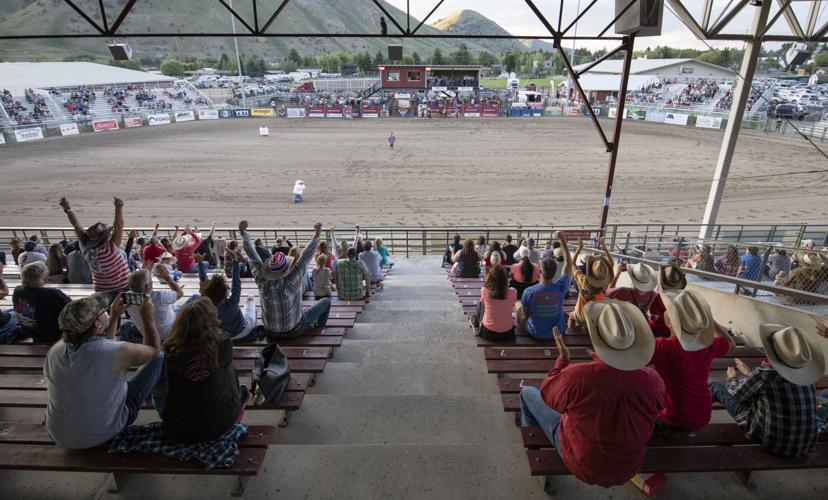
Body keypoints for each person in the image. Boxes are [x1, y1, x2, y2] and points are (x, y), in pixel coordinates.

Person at [519, 300, 665, 487]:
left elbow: (548, 395)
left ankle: (533, 444)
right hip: (629, 467)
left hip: (582, 463)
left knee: (527, 394)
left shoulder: (578, 376)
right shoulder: (654, 381)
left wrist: (562, 360)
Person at [45, 293, 165, 449]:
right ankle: (165, 411)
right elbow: (153, 350)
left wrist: (114, 316)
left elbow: (102, 346)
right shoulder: (117, 351)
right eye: (102, 311)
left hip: (59, 433)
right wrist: (147, 317)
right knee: (160, 358)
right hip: (103, 433)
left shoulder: (55, 350)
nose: (105, 310)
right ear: (97, 325)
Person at [710, 323, 824, 457]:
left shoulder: (764, 373)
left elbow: (737, 393)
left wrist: (732, 378)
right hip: (805, 445)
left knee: (715, 386)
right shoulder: (808, 376)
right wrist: (749, 374)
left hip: (771, 442)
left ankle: (697, 423)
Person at [160, 298, 246, 443]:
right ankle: (236, 401)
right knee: (228, 367)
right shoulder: (223, 343)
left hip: (176, 430)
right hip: (218, 426)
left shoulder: (169, 350)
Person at [651, 290, 735, 432]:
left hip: (673, 419)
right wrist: (711, 320)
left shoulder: (662, 347)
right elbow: (731, 344)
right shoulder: (708, 345)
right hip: (703, 416)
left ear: (670, 322)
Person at [240, 220, 330, 338]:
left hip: (270, 331)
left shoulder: (261, 279)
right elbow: (305, 257)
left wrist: (244, 234)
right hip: (294, 330)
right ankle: (317, 327)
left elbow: (253, 256)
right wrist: (317, 235)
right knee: (326, 302)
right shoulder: (291, 280)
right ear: (286, 268)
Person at [59, 196, 130, 301]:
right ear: (105, 238)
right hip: (122, 287)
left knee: (106, 309)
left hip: (101, 289)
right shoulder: (111, 248)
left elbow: (77, 227)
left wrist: (68, 209)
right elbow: (118, 226)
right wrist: (118, 208)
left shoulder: (85, 248)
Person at [515, 232, 573, 341]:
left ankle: (519, 332)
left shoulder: (529, 291)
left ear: (540, 272)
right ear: (555, 272)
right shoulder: (561, 287)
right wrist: (563, 241)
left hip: (536, 332)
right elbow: (569, 265)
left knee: (518, 304)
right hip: (558, 332)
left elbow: (526, 314)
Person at [196, 255, 257, 341]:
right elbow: (236, 283)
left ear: (206, 292)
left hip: (221, 336)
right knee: (251, 300)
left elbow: (203, 281)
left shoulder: (206, 304)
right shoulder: (233, 302)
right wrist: (235, 262)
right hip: (242, 332)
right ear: (225, 291)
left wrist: (200, 263)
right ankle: (250, 300)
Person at [13, 261, 72, 343]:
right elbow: (73, 309)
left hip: (30, 332)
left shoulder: (17, 290)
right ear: (43, 278)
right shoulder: (52, 294)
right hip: (52, 335)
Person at [126, 267, 184, 341]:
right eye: (151, 280)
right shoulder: (160, 296)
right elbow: (180, 293)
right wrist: (167, 278)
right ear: (147, 286)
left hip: (147, 334)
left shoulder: (128, 298)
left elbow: (147, 292)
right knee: (194, 298)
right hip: (168, 333)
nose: (152, 281)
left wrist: (147, 271)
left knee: (127, 324)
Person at [570, 239, 614, 328]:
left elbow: (573, 263)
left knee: (571, 316)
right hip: (596, 316)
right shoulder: (604, 284)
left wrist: (579, 248)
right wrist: (605, 248)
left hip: (582, 315)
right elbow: (611, 263)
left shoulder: (583, 281)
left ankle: (571, 331)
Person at [474, 264, 518, 341]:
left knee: (481, 305)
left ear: (490, 278)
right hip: (508, 334)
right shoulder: (513, 291)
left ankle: (476, 322)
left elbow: (483, 304)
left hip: (488, 333)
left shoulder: (484, 290)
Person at [0, 263, 20, 342]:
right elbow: (5, 292)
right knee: (23, 313)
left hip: (2, 318)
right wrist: (0, 276)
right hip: (2, 322)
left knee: (14, 309)